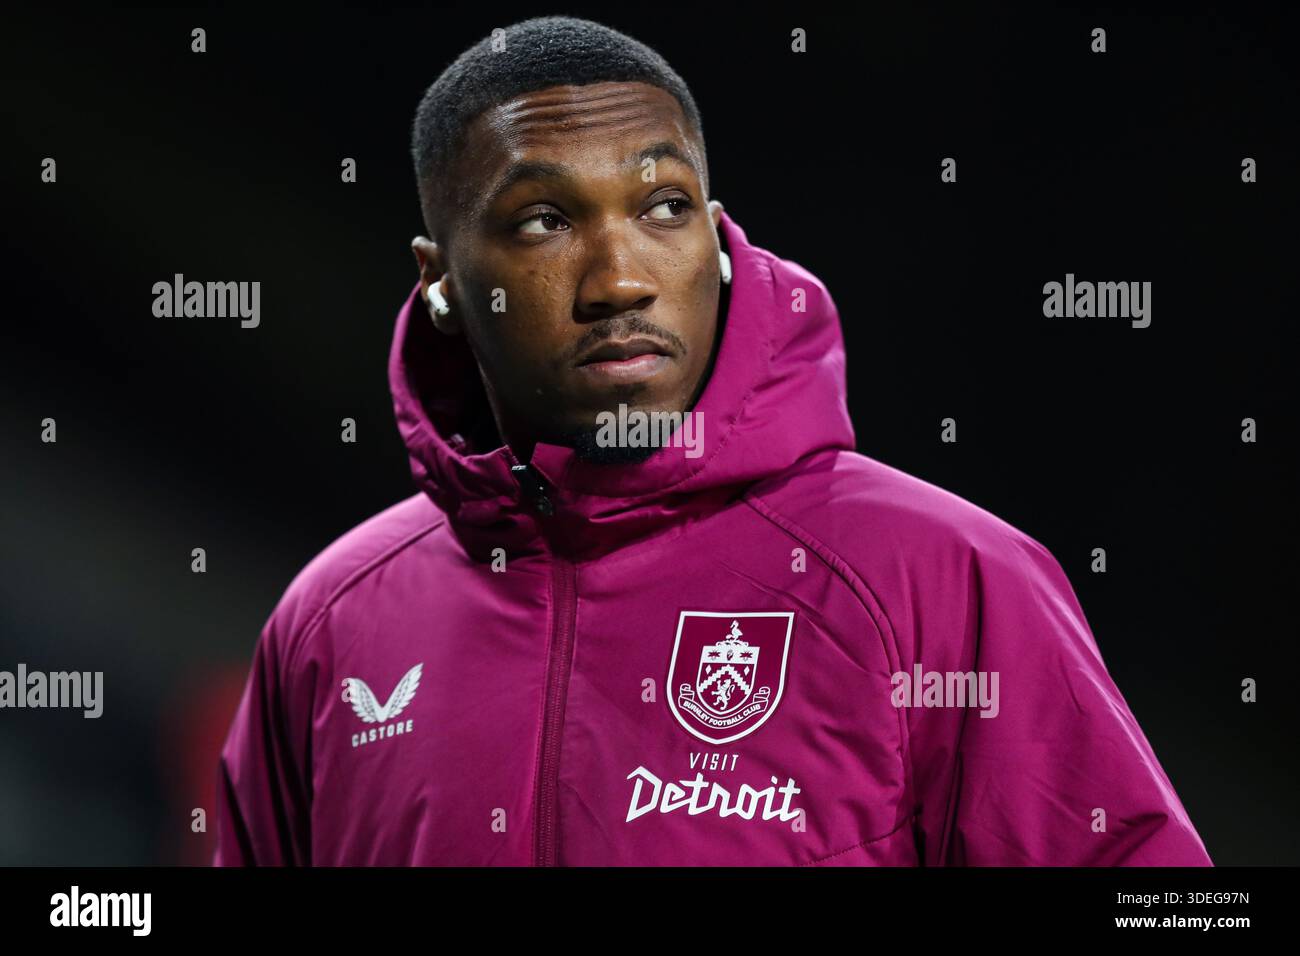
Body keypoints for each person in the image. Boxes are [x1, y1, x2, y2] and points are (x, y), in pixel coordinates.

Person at [213, 15, 1212, 866]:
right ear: (439, 280)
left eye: (662, 207)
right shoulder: (332, 622)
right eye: (543, 219)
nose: (618, 279)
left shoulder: (943, 577)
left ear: (717, 237)